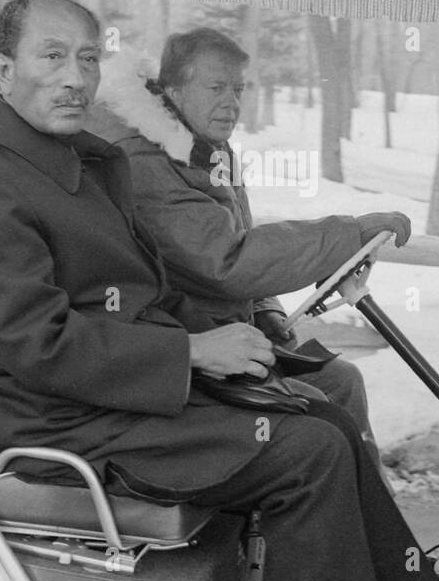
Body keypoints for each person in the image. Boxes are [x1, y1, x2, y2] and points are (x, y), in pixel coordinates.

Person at [0, 0, 439, 581]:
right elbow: (42, 347)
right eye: (53, 56)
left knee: (323, 410)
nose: (75, 77)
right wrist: (194, 352)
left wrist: (243, 334)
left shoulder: (83, 166)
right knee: (310, 453)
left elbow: (145, 293)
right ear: (4, 71)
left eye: (89, 58)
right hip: (65, 422)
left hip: (121, 396)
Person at [87, 27, 407, 465]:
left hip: (226, 329)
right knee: (320, 413)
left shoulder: (206, 149)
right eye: (216, 87)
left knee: (343, 379)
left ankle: (374, 527)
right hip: (183, 349)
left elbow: (242, 253)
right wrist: (350, 233)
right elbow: (228, 260)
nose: (232, 102)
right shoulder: (144, 160)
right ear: (174, 90)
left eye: (238, 89)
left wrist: (267, 310)